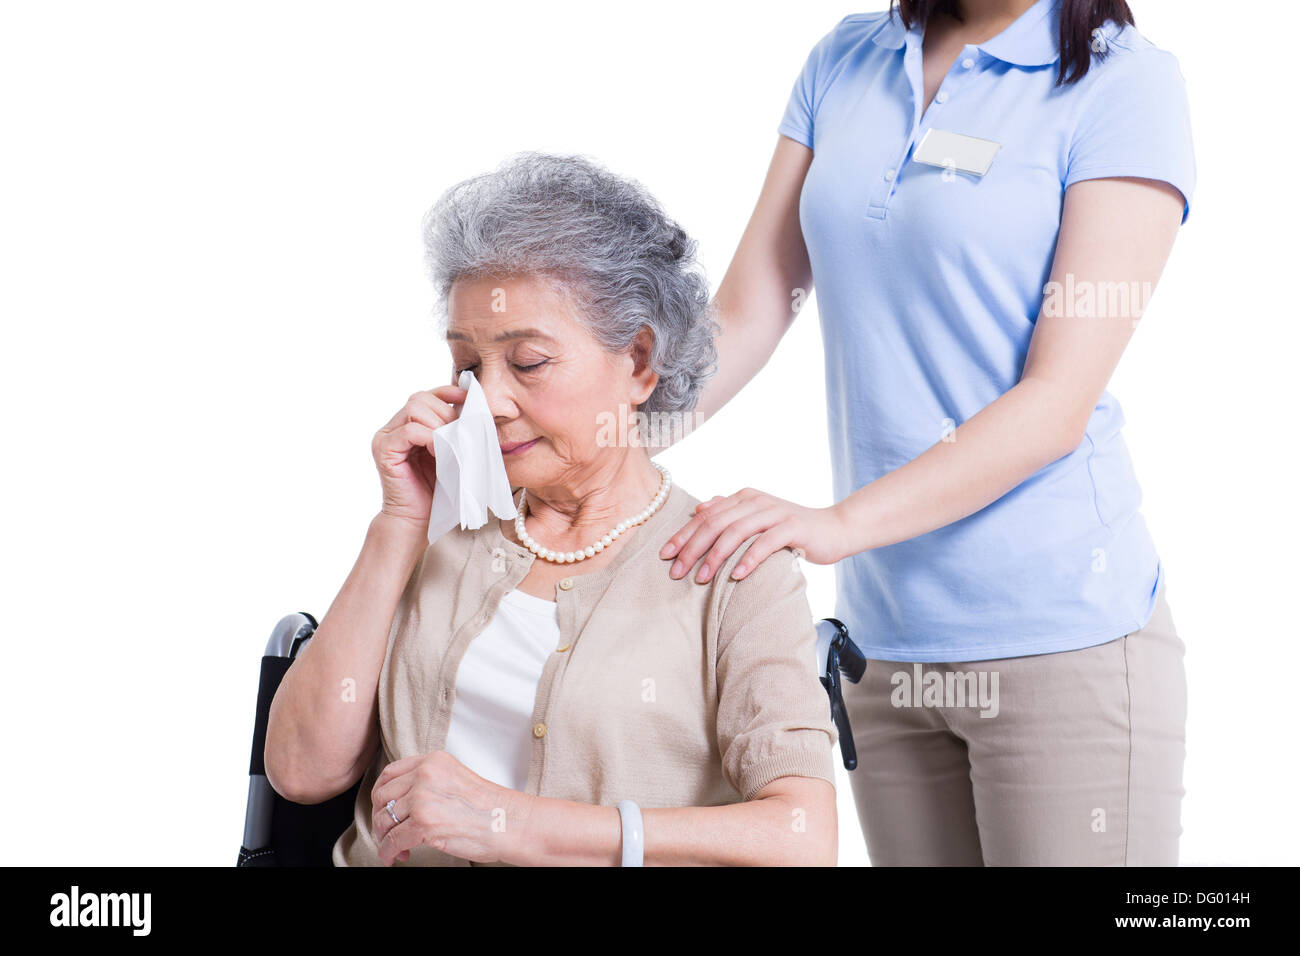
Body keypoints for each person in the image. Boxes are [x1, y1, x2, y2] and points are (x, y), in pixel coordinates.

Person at [657, 0, 1193, 865]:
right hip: (887, 648)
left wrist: (833, 525)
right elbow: (750, 310)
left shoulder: (1124, 84)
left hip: (1060, 640)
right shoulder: (847, 57)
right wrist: (594, 435)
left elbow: (1054, 403)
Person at [263, 151, 839, 866]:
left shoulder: (735, 570)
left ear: (639, 362)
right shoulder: (444, 530)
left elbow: (801, 838)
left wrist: (515, 824)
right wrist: (399, 525)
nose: (489, 400)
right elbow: (300, 772)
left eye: (528, 362)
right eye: (468, 366)